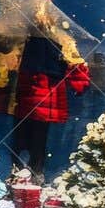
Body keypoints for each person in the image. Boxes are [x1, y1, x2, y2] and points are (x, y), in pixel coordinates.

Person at [10, 13, 90, 182]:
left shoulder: (23, 38)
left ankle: (19, 176)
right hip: (46, 99)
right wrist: (79, 86)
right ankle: (35, 175)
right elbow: (75, 64)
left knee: (21, 138)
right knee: (39, 139)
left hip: (26, 99)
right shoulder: (60, 38)